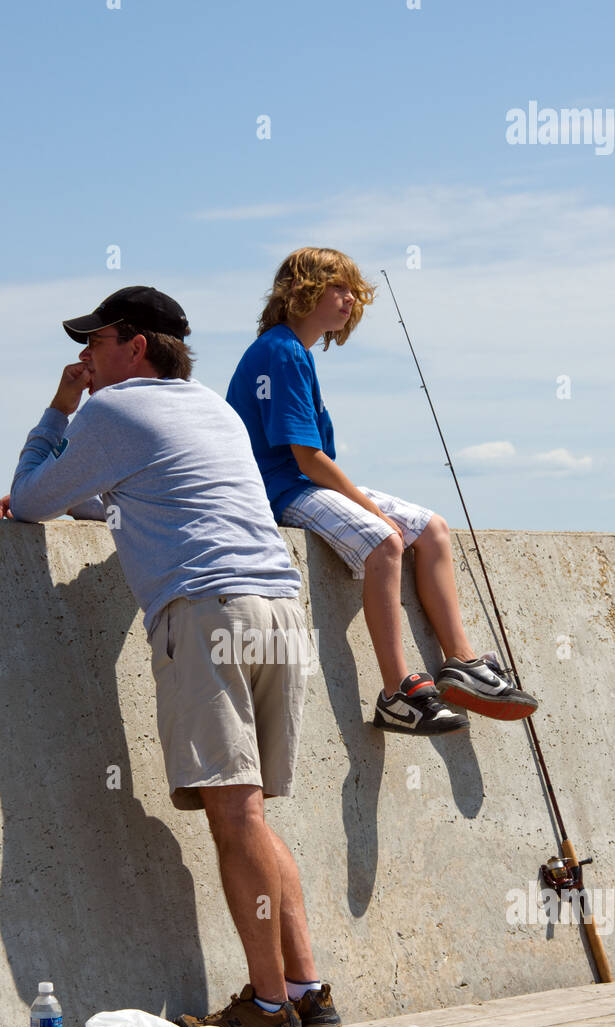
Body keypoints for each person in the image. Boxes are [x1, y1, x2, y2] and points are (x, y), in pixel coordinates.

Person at [0, 285, 341, 1027]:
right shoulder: (211, 410)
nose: (84, 357)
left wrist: (57, 411)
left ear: (137, 346)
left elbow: (28, 500)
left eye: (96, 341)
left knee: (237, 817)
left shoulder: (113, 413)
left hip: (209, 612)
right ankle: (308, 993)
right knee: (253, 814)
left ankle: (267, 1005)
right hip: (280, 607)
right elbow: (159, 497)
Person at [226, 247, 539, 735]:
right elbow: (307, 458)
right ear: (301, 291)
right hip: (280, 489)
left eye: (353, 289)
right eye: (338, 286)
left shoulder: (295, 352)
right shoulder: (279, 350)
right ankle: (397, 693)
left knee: (432, 529)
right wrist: (372, 511)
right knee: (384, 540)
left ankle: (460, 661)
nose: (350, 298)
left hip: (302, 480)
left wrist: (367, 506)